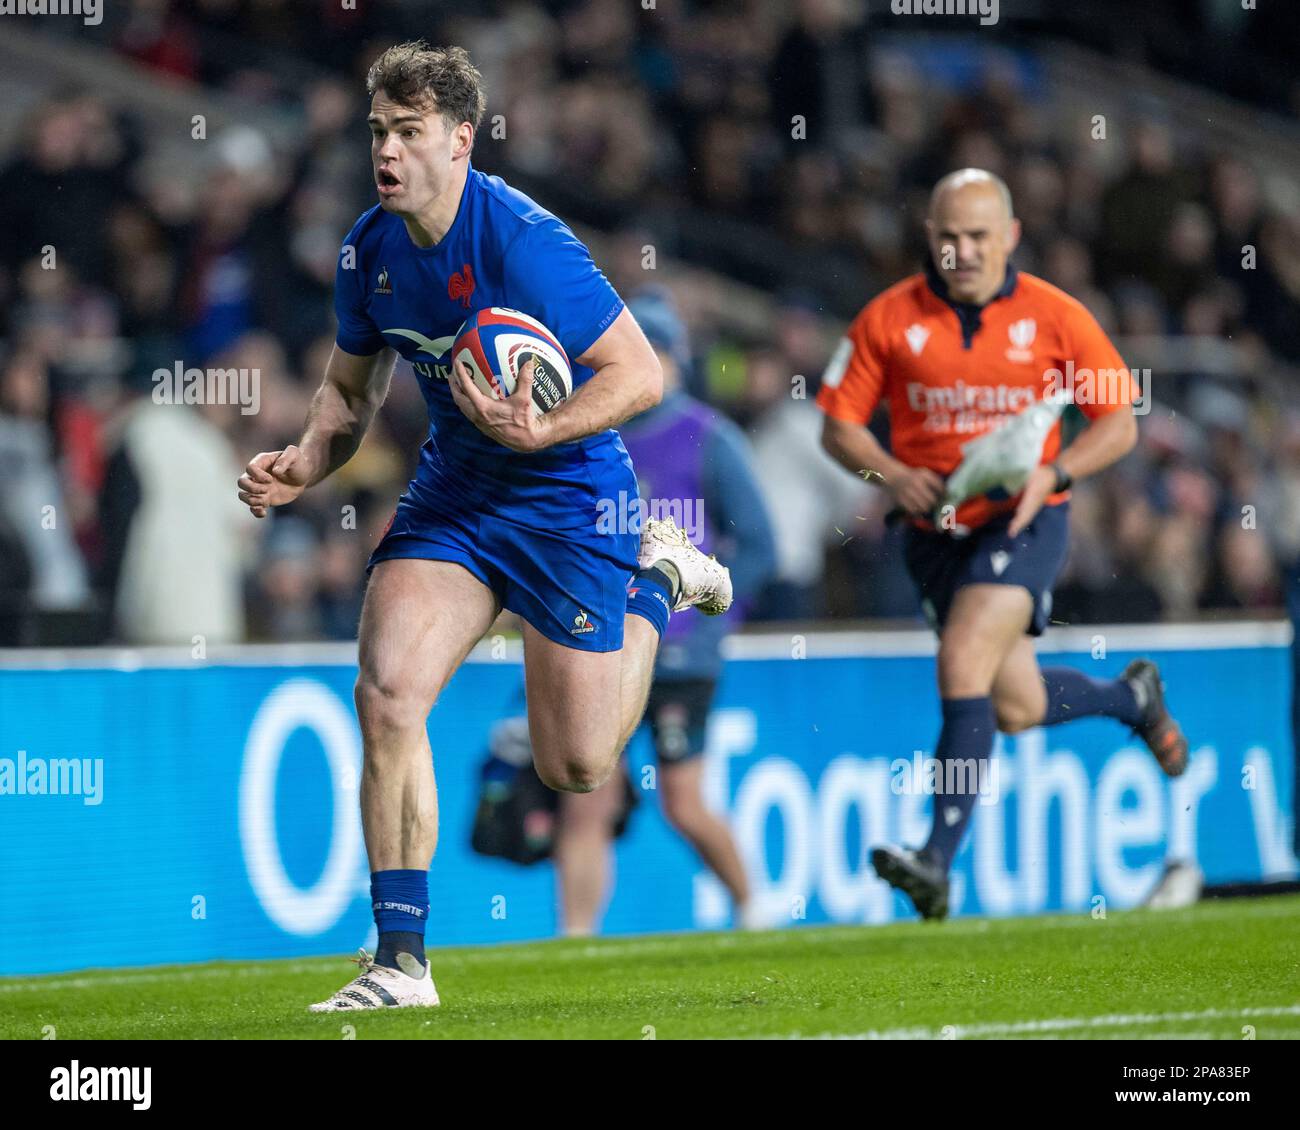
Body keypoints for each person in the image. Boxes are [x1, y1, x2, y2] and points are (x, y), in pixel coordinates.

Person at [236, 43, 733, 1010]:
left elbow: (641, 373)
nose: (386, 151)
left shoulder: (523, 242)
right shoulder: (368, 250)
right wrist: (304, 461)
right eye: (378, 131)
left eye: (408, 133)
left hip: (570, 498)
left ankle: (658, 577)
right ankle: (400, 963)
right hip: (458, 498)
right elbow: (350, 388)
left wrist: (544, 425)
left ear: (461, 141)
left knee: (579, 765)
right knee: (385, 694)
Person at [818, 168, 1189, 920]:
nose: (963, 251)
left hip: (1024, 519)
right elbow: (837, 427)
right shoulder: (888, 319)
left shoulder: (1056, 317)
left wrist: (1055, 469)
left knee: (961, 660)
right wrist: (890, 473)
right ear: (930, 236)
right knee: (1014, 704)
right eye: (949, 236)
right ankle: (1132, 698)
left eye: (979, 236)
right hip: (933, 531)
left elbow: (1119, 422)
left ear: (1011, 236)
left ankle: (936, 859)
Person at [482, 292, 777, 935]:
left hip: (680, 652)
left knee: (683, 803)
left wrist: (711, 619)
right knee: (587, 800)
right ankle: (576, 937)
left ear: (670, 359)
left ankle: (753, 907)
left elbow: (757, 543)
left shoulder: (708, 437)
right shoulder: (580, 433)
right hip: (596, 640)